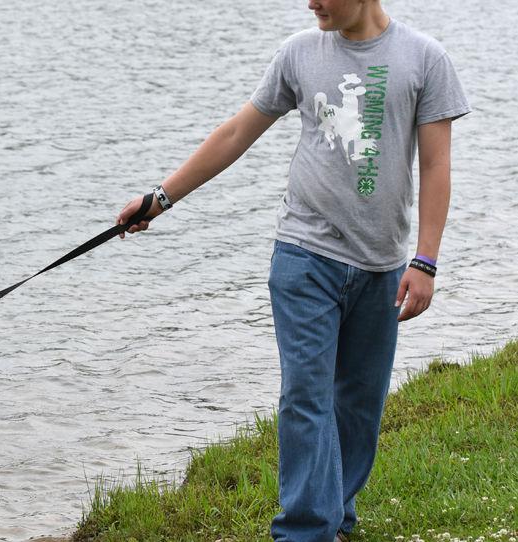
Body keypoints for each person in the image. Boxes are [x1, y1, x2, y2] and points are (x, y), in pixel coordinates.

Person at [116, 1, 470, 540]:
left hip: (382, 265)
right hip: (305, 257)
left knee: (359, 405)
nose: (312, 1)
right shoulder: (299, 53)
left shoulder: (424, 58)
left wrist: (426, 261)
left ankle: (336, 513)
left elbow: (437, 165)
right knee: (306, 395)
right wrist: (161, 199)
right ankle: (306, 530)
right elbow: (237, 132)